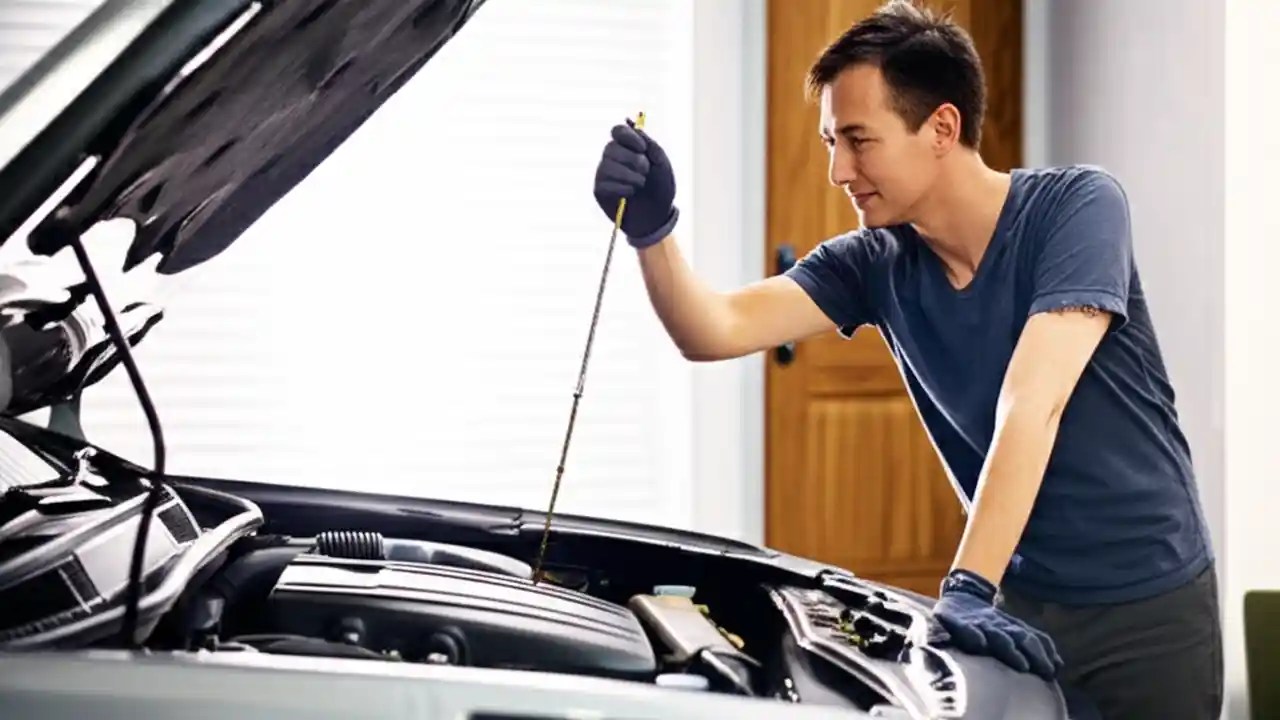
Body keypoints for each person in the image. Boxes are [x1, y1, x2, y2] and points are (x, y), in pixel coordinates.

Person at [589, 1, 1221, 718]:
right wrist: (652, 232)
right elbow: (714, 329)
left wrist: (968, 586)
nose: (836, 170)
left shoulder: (1077, 207)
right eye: (831, 141)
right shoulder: (875, 265)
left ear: (941, 128)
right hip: (1019, 603)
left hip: (1146, 603)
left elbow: (1032, 403)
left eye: (858, 140)